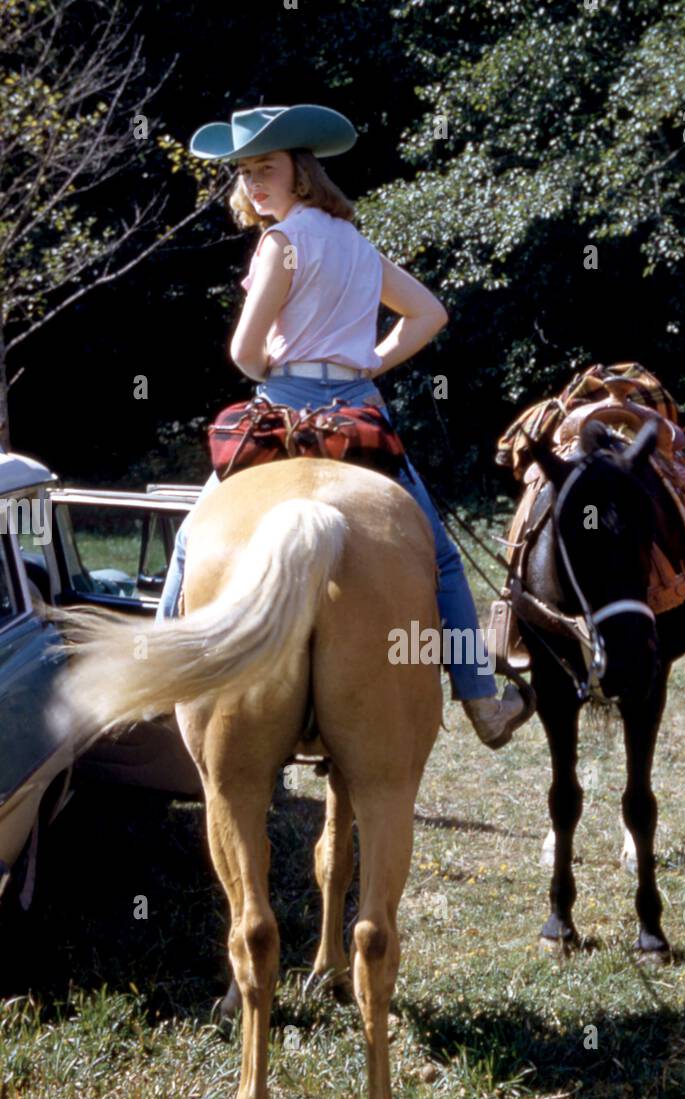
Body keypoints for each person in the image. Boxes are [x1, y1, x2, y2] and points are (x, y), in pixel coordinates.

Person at [156, 103, 527, 749]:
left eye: (265, 167)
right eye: (244, 172)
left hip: (281, 402)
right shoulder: (355, 243)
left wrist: (273, 362)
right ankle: (480, 701)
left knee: (192, 541)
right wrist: (369, 363)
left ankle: (162, 686)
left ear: (301, 172)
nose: (252, 183)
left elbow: (244, 353)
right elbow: (428, 313)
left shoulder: (281, 242)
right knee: (439, 559)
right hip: (359, 407)